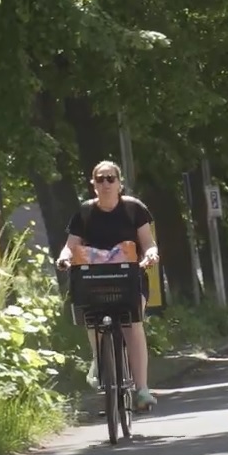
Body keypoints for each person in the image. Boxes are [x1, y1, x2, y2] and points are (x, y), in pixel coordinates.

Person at [55, 160, 159, 411]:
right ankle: (100, 362)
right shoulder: (85, 212)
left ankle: (142, 389)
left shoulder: (134, 209)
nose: (106, 183)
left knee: (133, 323)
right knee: (92, 320)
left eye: (111, 178)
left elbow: (148, 243)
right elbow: (70, 246)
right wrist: (64, 258)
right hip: (95, 280)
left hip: (130, 278)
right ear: (93, 184)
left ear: (119, 183)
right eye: (100, 179)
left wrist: (151, 255)